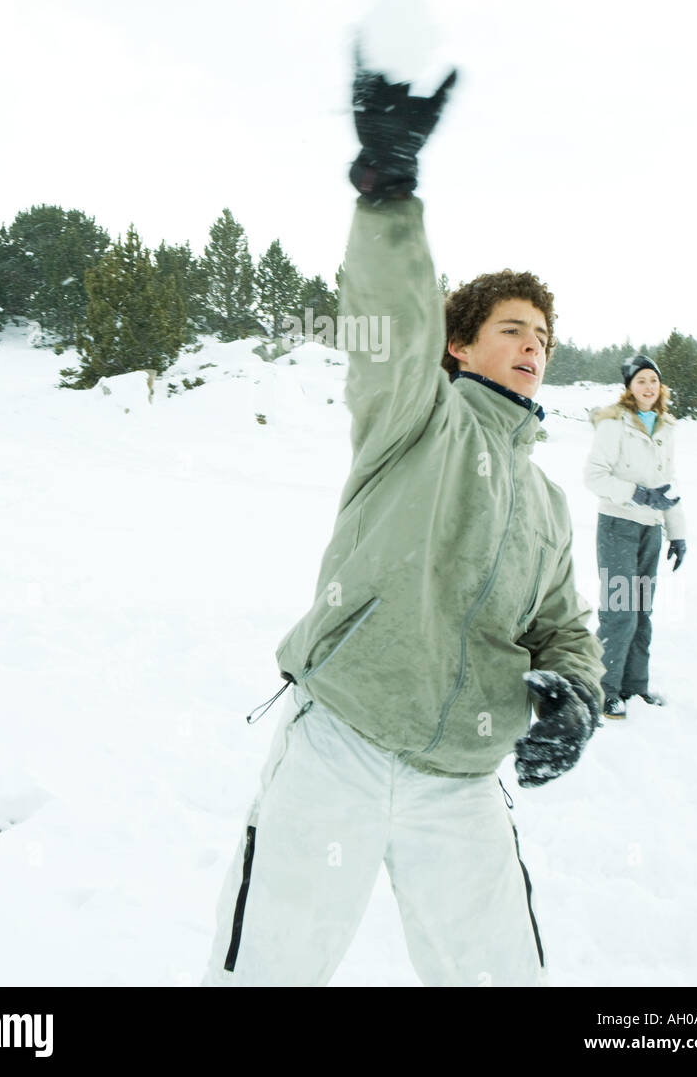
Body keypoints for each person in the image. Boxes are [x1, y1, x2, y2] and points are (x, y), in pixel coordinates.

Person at [201, 51, 604, 988]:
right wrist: (390, 193)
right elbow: (390, 316)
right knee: (268, 970)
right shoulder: (413, 412)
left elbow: (563, 629)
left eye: (543, 337)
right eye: (511, 328)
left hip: (461, 781)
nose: (532, 347)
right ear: (460, 345)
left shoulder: (546, 501)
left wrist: (576, 695)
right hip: (339, 741)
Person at [584, 355, 687, 720]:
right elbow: (594, 477)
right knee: (619, 611)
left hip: (650, 531)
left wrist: (677, 534)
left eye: (653, 381)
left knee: (641, 611)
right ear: (629, 386)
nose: (648, 387)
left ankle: (634, 687)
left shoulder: (665, 428)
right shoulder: (614, 424)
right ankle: (604, 690)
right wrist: (637, 494)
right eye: (641, 380)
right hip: (618, 526)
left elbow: (668, 485)